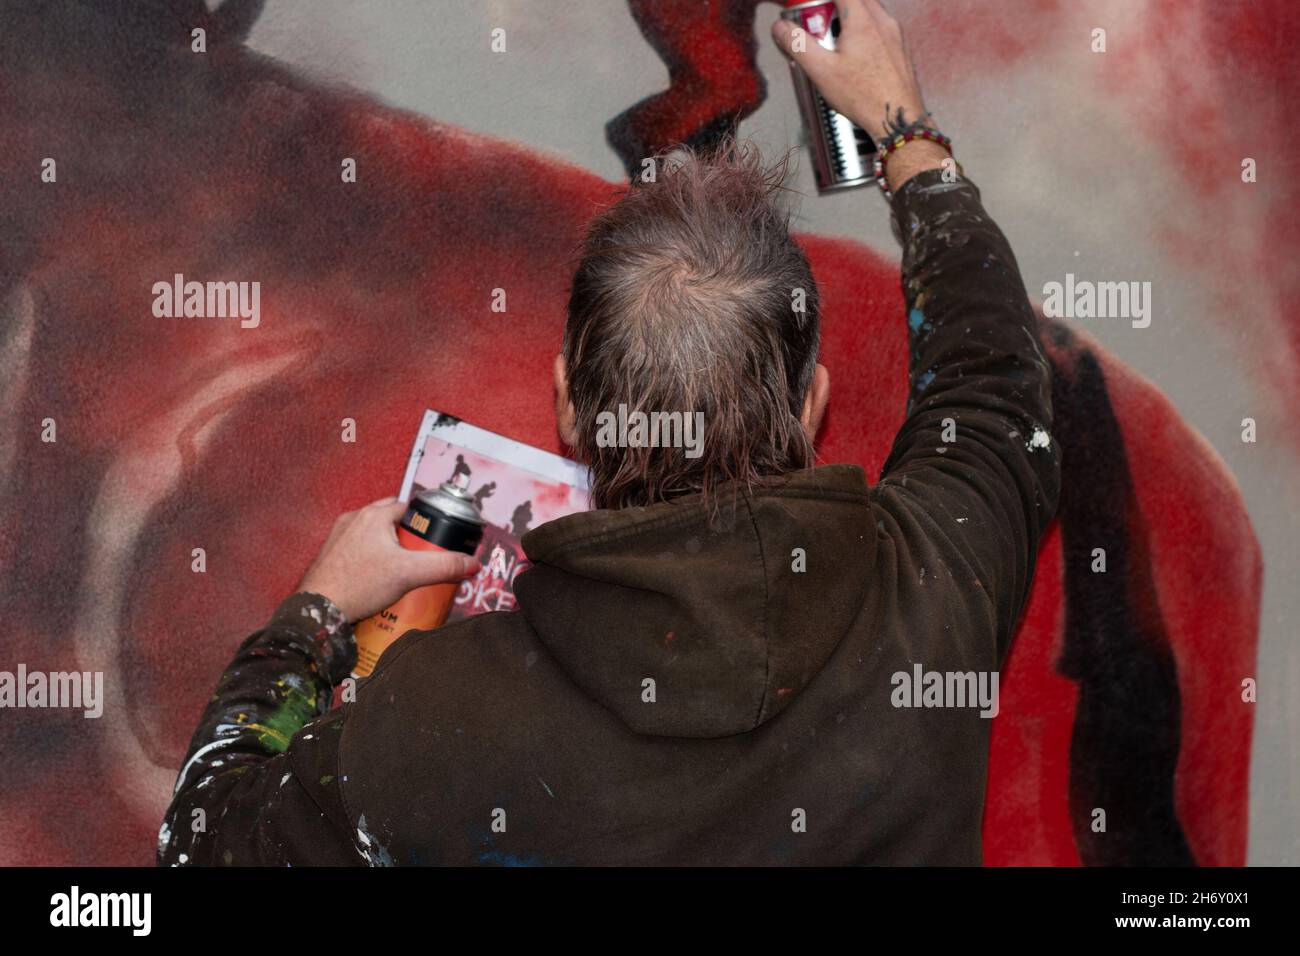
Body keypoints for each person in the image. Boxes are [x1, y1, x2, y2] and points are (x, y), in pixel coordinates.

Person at [158, 0, 1059, 866]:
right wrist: (907, 134)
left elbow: (203, 843)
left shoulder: (434, 728)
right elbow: (996, 388)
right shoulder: (935, 589)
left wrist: (313, 618)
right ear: (811, 405)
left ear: (568, 409)